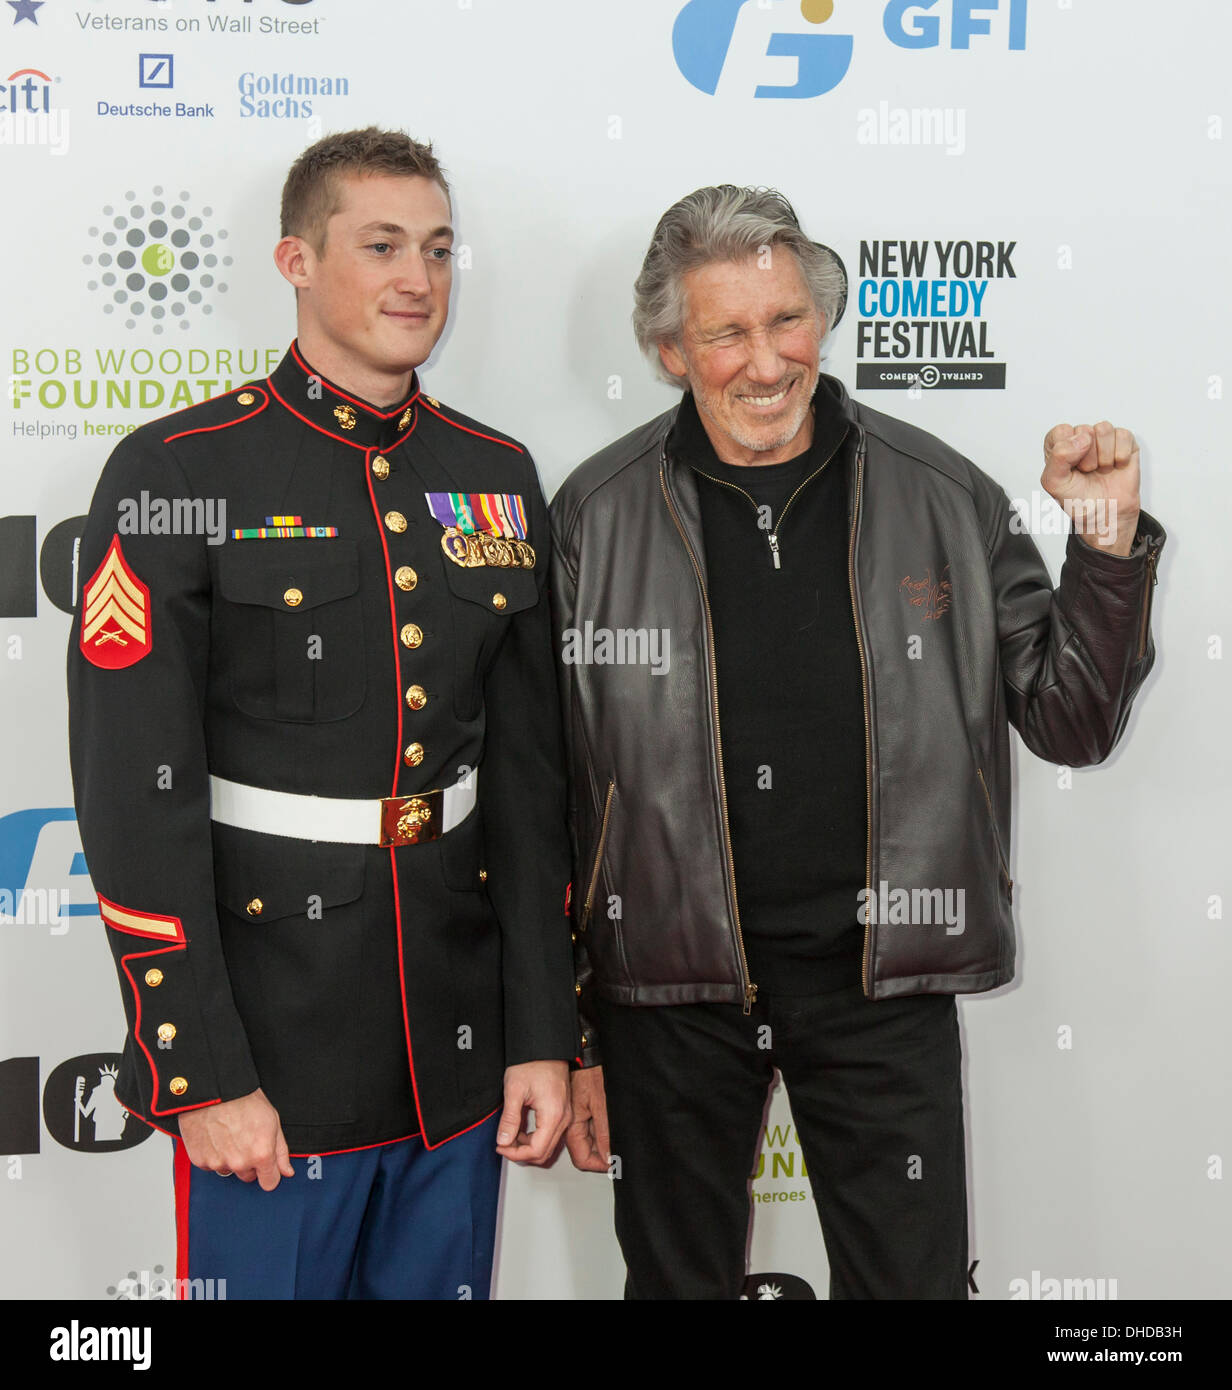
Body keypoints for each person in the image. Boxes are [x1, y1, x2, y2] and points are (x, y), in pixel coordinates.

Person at [551, 185, 1164, 1299]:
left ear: (821, 321)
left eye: (785, 320)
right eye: (725, 332)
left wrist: (1104, 544)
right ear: (667, 350)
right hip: (667, 987)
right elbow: (551, 781)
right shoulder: (595, 513)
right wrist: (569, 1020)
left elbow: (1071, 720)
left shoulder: (942, 495)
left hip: (883, 974)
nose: (765, 361)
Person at [67, 127, 579, 1300]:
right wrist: (197, 1072)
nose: (419, 278)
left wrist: (544, 1030)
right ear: (296, 260)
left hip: (453, 1052)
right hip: (272, 1052)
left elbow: (531, 787)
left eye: (439, 249)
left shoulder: (494, 475)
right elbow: (132, 798)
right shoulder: (180, 472)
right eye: (383, 244)